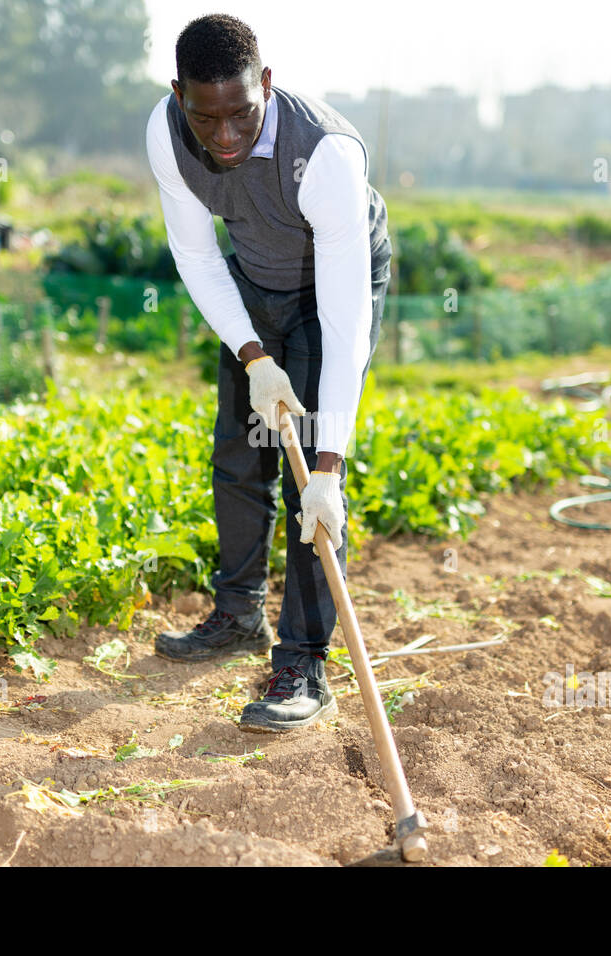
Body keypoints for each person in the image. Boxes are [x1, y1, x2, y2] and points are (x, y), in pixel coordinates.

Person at [144, 13, 391, 732]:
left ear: (269, 85)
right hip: (251, 285)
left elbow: (346, 328)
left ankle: (303, 663)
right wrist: (254, 355)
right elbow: (195, 257)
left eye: (242, 114)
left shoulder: (327, 159)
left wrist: (330, 468)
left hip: (328, 298)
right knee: (241, 450)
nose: (224, 137)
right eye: (205, 116)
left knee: (305, 480)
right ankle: (238, 614)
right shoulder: (166, 133)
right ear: (179, 95)